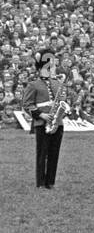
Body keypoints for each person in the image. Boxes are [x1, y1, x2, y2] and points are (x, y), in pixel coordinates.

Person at [21, 45, 66, 189]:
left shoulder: (57, 83)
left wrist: (61, 111)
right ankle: (40, 182)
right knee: (42, 154)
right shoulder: (33, 84)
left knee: (54, 153)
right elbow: (27, 104)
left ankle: (50, 182)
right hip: (42, 123)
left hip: (57, 123)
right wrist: (41, 115)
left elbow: (61, 102)